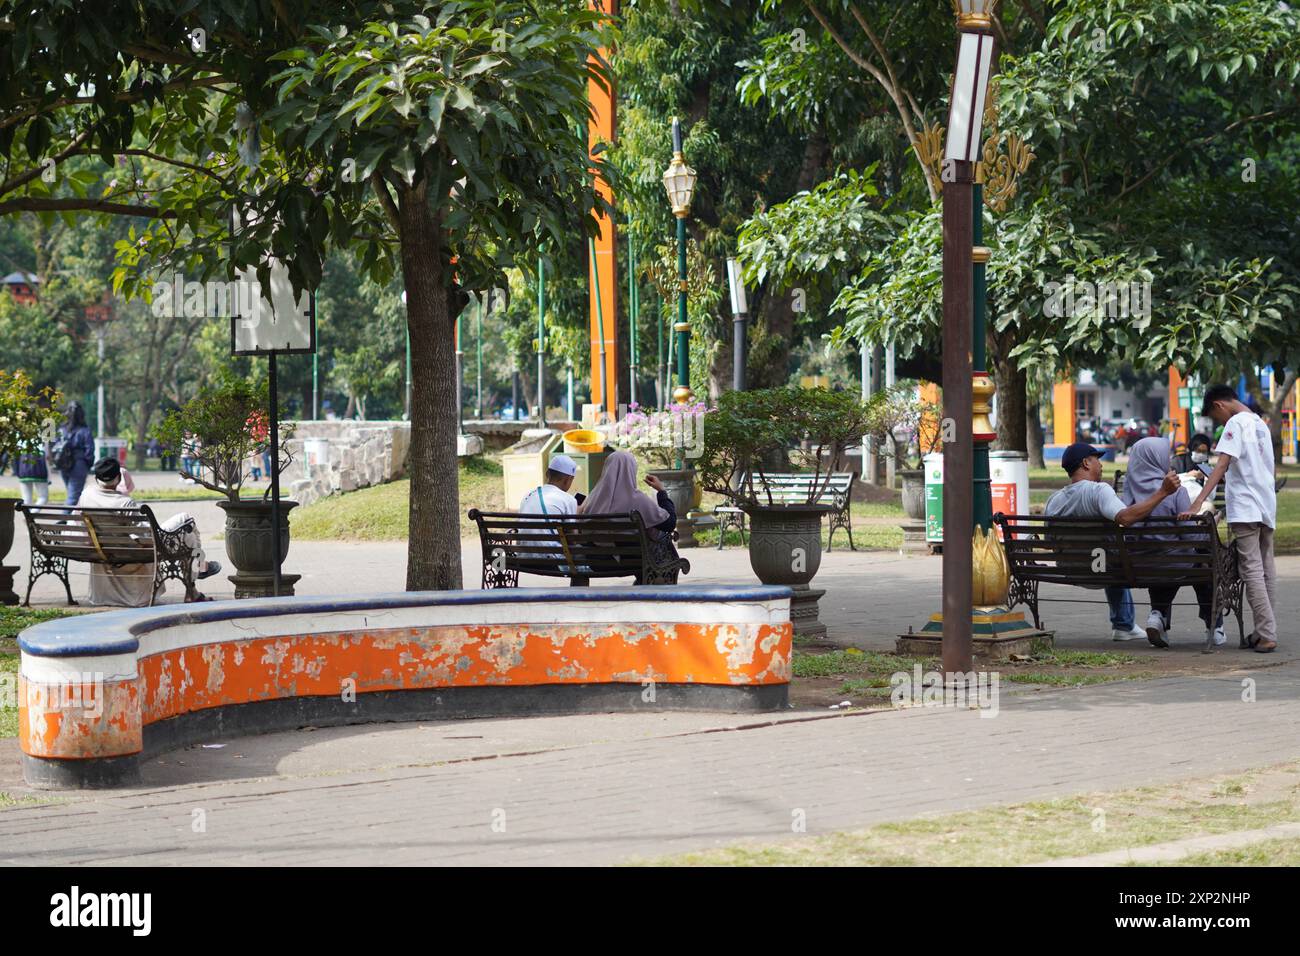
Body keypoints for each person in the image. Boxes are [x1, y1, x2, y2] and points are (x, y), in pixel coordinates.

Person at [1045, 441, 1182, 642]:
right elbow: (1125, 518)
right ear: (1086, 463)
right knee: (1127, 554)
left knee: (1108, 551)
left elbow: (1050, 542)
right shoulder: (1099, 491)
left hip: (1070, 569)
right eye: (1097, 460)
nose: (1101, 465)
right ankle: (1124, 624)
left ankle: (1124, 624)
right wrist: (1162, 492)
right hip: (1103, 570)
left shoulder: (1053, 500)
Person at [1183, 384, 1277, 653]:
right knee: (1266, 570)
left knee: (1251, 570)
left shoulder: (1235, 423)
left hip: (1247, 508)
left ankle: (1267, 634)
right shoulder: (1259, 423)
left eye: (1215, 417)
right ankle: (1263, 630)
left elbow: (1222, 463)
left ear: (1219, 405)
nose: (1218, 422)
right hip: (1265, 505)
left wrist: (1198, 501)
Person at [76, 456, 222, 606]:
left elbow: (80, 526)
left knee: (186, 527)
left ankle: (199, 567)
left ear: (96, 478)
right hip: (136, 552)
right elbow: (146, 539)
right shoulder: (124, 503)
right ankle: (197, 573)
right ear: (119, 478)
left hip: (103, 550)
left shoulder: (86, 496)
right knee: (186, 521)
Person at [1122, 436, 1223, 648]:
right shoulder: (1176, 491)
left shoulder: (1128, 491)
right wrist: (1206, 530)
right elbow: (1190, 537)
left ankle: (1158, 614)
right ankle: (1214, 625)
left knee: (1163, 561)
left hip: (1138, 565)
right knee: (1203, 563)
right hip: (1174, 563)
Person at [579, 450, 679, 581]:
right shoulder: (638, 500)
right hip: (634, 562)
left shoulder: (591, 499)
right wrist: (661, 491)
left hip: (597, 562)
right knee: (660, 537)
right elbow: (670, 523)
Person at [53, 401, 94, 505]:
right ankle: (63, 520)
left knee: (72, 493)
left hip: (63, 464)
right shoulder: (85, 431)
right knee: (73, 496)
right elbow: (89, 451)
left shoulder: (62, 430)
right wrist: (88, 464)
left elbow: (55, 445)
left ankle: (72, 519)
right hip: (79, 465)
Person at [15, 437, 49, 505]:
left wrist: (17, 471)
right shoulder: (48, 426)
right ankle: (32, 513)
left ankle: (29, 514)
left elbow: (15, 453)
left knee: (26, 498)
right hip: (40, 466)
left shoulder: (20, 429)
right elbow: (48, 454)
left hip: (23, 465)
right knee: (43, 497)